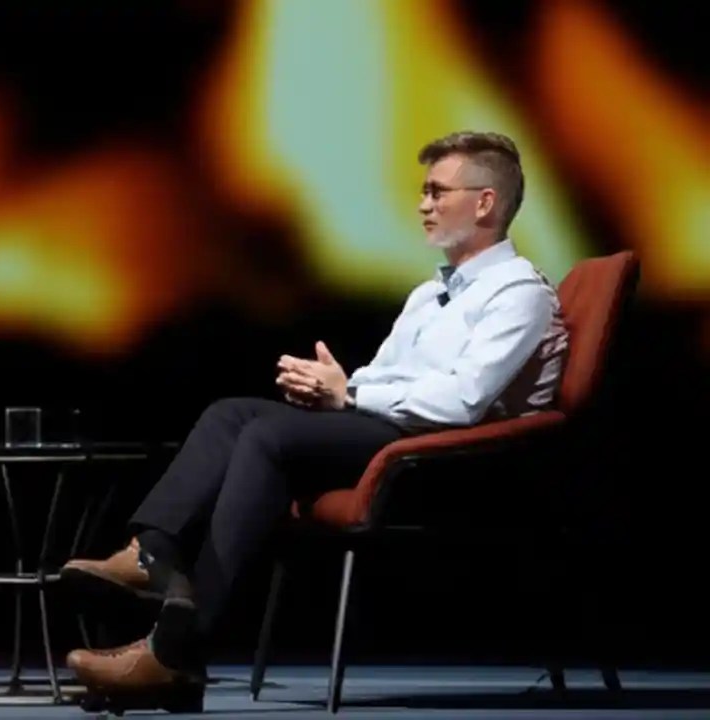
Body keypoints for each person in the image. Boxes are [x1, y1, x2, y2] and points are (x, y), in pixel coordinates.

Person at [57, 130, 569, 711]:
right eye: (423, 192)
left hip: (447, 460)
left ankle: (174, 655)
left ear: (485, 203)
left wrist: (347, 395)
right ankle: (152, 556)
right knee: (232, 414)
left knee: (268, 437)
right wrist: (333, 391)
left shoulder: (519, 294)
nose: (422, 205)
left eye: (436, 191)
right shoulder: (431, 294)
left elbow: (462, 403)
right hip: (400, 432)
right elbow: (385, 376)